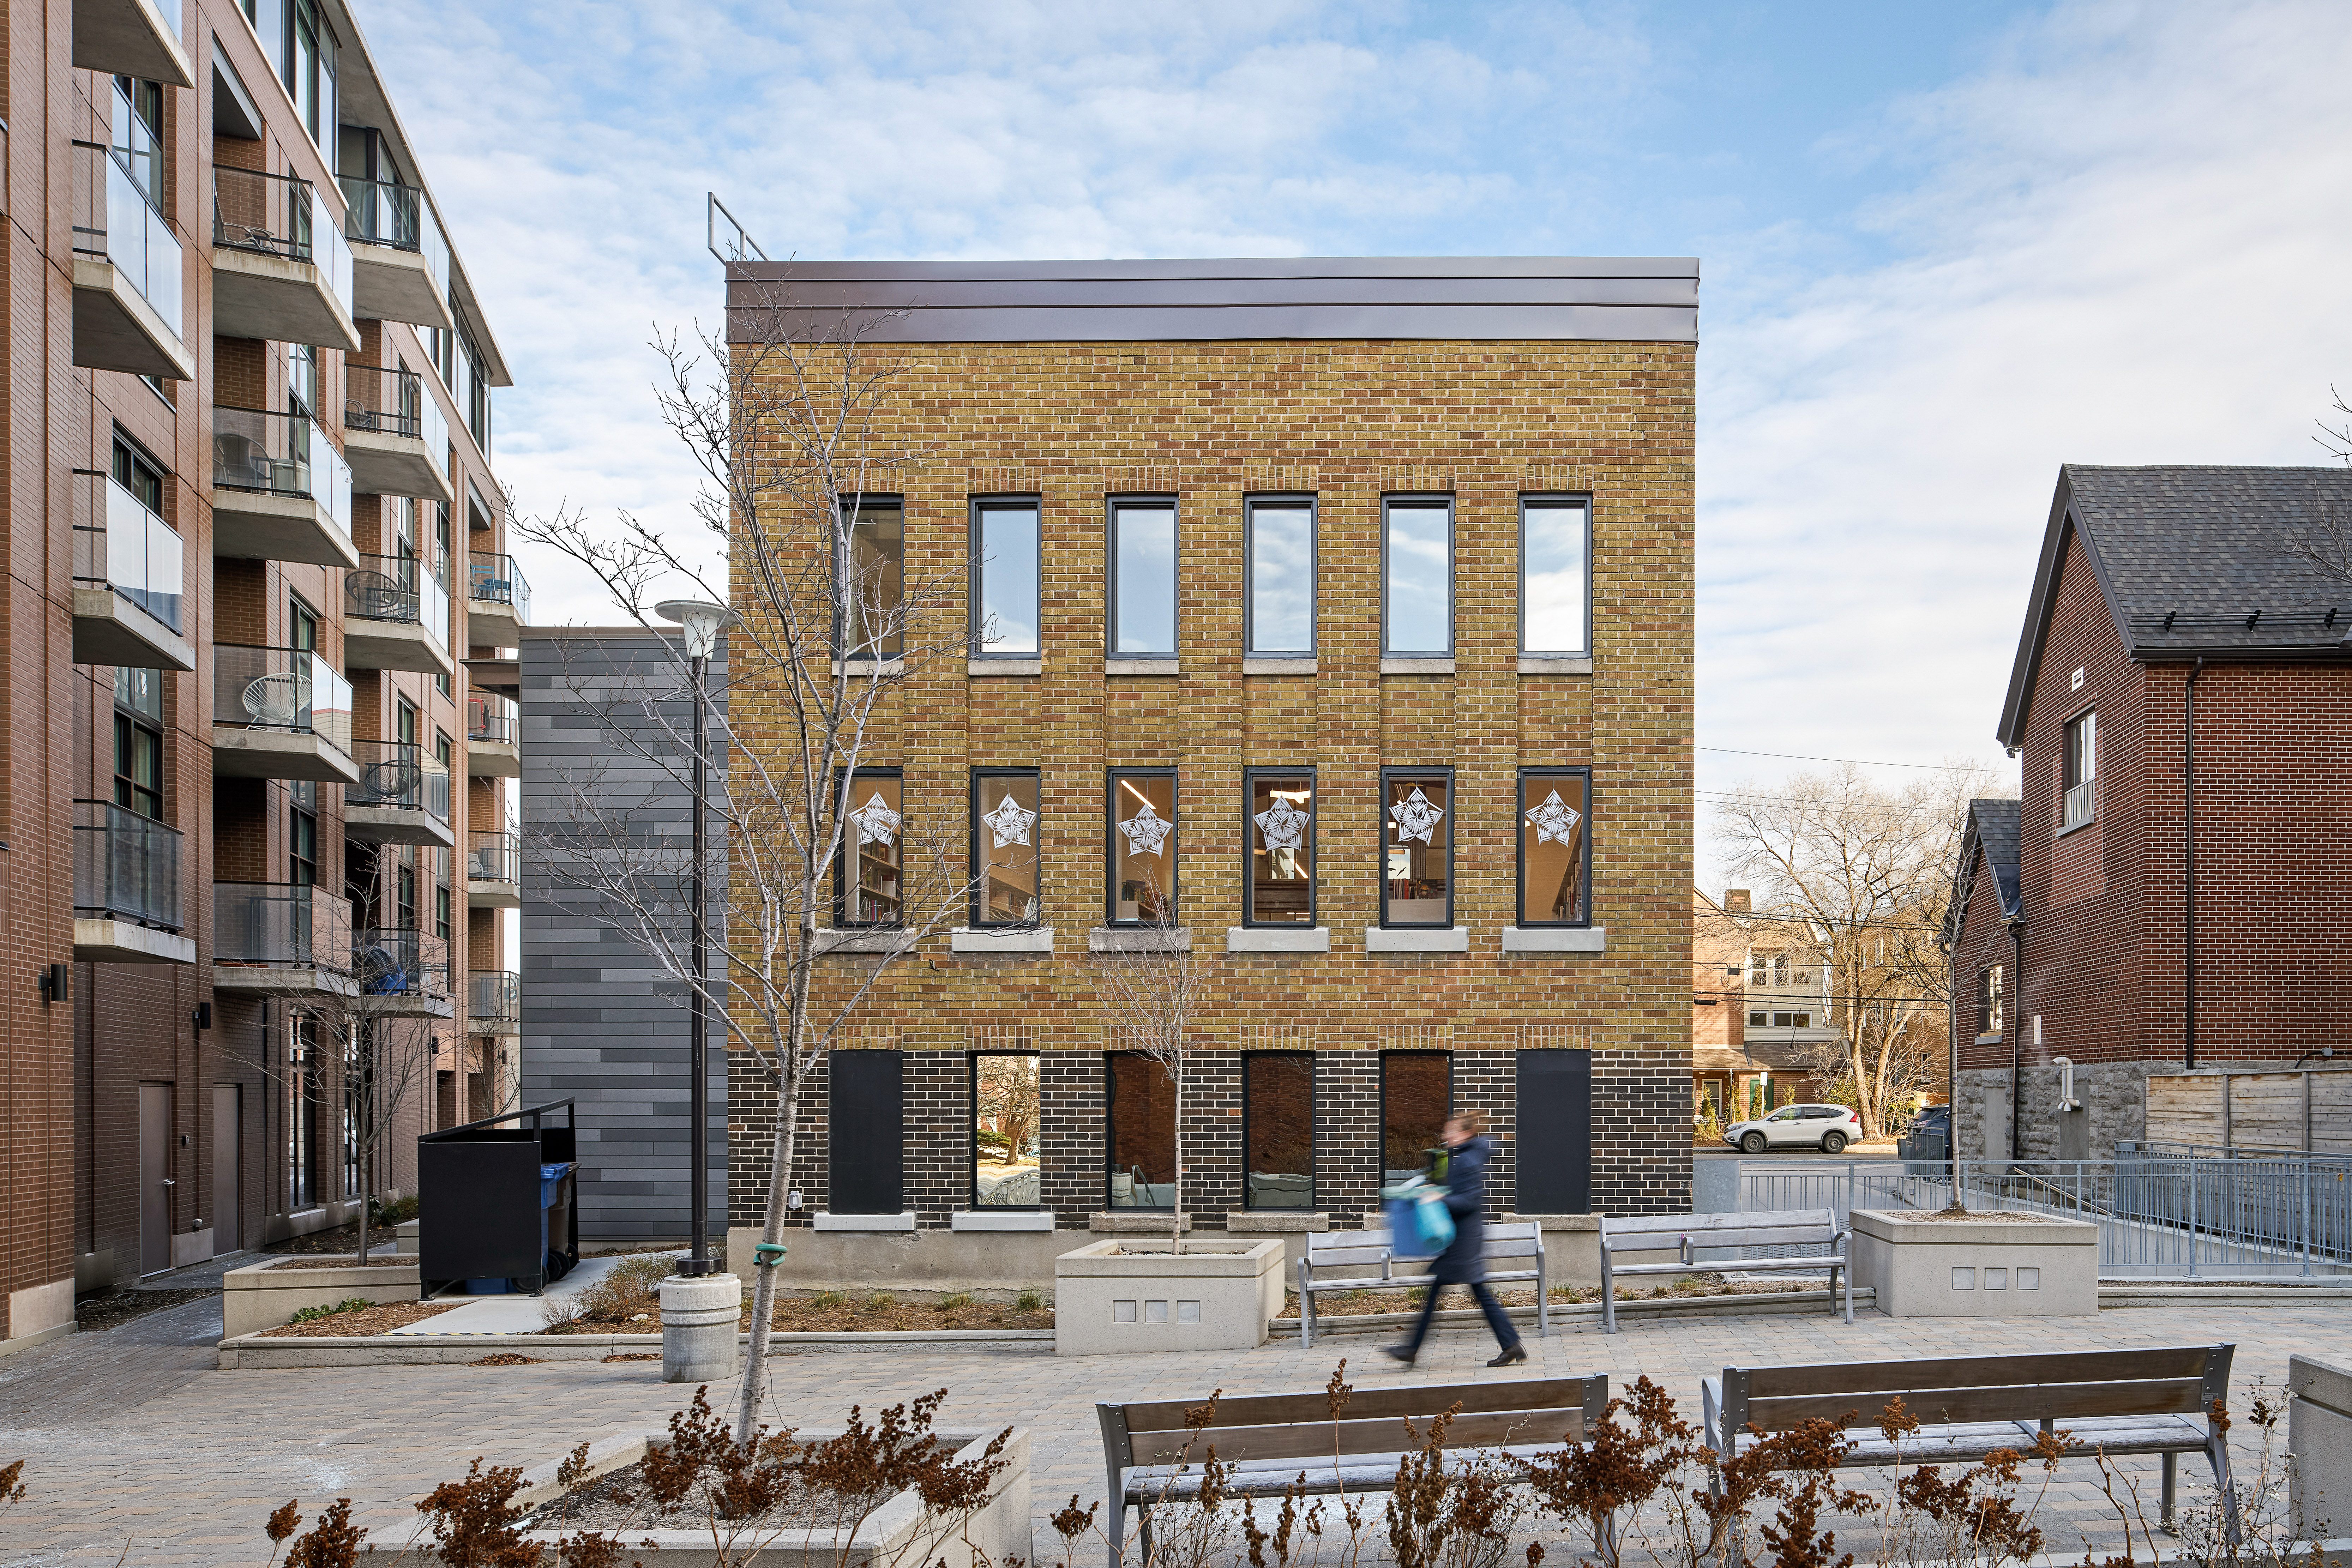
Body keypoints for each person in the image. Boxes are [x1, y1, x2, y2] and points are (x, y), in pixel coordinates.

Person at [1386, 1110, 1527, 1368]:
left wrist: (1439, 1197)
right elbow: (1459, 1192)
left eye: (1451, 1131)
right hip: (1464, 1238)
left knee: (1441, 1292)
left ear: (1466, 1133)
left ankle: (1411, 1349)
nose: (1446, 1136)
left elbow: (1469, 1201)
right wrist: (1436, 1188)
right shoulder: (1465, 1157)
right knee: (1475, 1292)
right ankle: (1511, 1345)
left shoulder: (1467, 1161)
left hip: (1463, 1241)